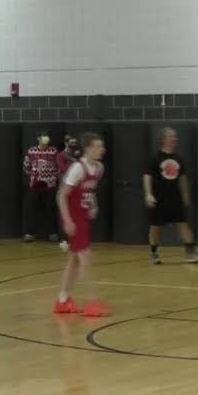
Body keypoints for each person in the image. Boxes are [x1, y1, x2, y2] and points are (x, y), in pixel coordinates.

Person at [54, 132, 111, 317]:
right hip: (75, 220)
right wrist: (68, 220)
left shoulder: (99, 168)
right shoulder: (77, 168)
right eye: (98, 146)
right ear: (88, 148)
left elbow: (91, 190)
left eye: (102, 146)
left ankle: (63, 300)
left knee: (74, 262)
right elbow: (61, 195)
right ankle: (92, 302)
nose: (102, 150)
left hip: (85, 219)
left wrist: (94, 204)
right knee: (86, 258)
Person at [144, 127, 198, 265]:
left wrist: (186, 194)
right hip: (159, 198)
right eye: (172, 136)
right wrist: (148, 194)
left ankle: (191, 253)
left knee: (183, 224)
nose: (175, 139)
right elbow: (147, 176)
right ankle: (154, 253)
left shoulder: (179, 159)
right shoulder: (155, 159)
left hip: (175, 198)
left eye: (175, 137)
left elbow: (182, 178)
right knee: (155, 227)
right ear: (164, 139)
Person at [22, 130, 60, 244]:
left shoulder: (53, 151)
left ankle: (53, 233)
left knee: (51, 209)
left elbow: (59, 166)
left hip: (49, 185)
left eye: (47, 137)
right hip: (35, 184)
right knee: (32, 209)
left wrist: (53, 177)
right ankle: (30, 233)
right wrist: (34, 174)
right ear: (38, 138)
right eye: (43, 137)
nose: (45, 139)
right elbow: (26, 166)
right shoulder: (32, 151)